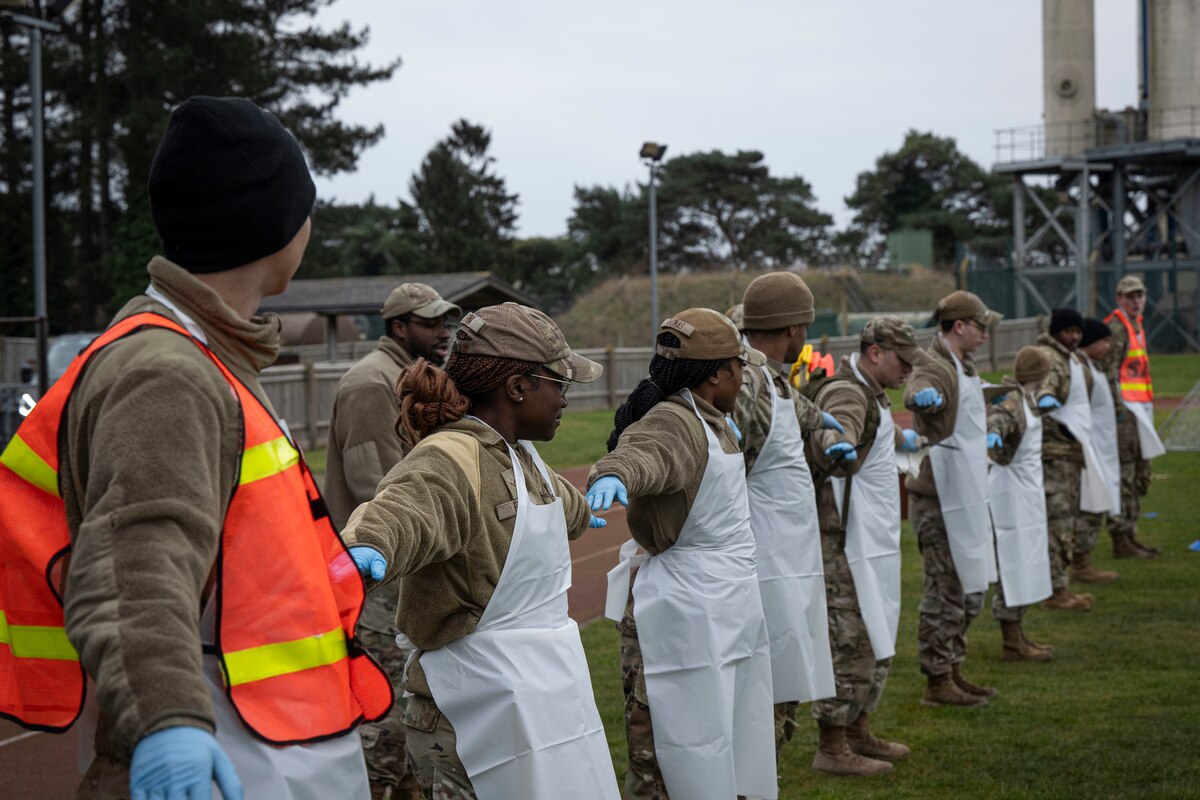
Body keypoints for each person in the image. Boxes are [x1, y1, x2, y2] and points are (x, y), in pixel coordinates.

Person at [0, 96, 392, 800]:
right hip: (222, 751)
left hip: (262, 746)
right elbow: (131, 561)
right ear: (275, 225)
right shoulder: (167, 373)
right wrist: (166, 721)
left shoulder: (200, 355)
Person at [340, 303, 619, 800]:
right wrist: (368, 545)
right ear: (516, 386)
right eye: (559, 383)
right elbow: (406, 505)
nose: (566, 399)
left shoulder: (521, 455)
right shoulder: (450, 457)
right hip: (465, 712)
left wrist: (581, 509)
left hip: (534, 695)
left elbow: (559, 501)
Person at [591, 308, 777, 800]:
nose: (744, 377)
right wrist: (617, 473)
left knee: (726, 728)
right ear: (717, 373)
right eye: (739, 366)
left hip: (721, 605)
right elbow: (646, 451)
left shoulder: (716, 421)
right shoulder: (676, 420)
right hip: (684, 608)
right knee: (669, 751)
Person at [325, 282, 461, 800]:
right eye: (431, 323)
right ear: (400, 327)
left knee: (413, 721)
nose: (443, 331)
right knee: (382, 719)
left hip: (401, 571)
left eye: (446, 320)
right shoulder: (369, 383)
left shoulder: (407, 378)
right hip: (376, 578)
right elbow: (376, 490)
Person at [805, 316, 926, 775]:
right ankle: (832, 746)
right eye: (903, 361)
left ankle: (858, 729)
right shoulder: (847, 392)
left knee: (876, 627)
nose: (908, 371)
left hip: (869, 537)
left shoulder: (870, 392)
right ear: (876, 353)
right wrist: (836, 443)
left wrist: (902, 437)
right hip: (843, 541)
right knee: (850, 638)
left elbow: (876, 429)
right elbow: (838, 427)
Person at [734, 272, 845, 758]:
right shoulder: (753, 384)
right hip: (766, 564)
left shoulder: (770, 380)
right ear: (794, 329)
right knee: (766, 692)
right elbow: (730, 473)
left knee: (784, 678)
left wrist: (819, 418)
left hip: (789, 558)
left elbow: (791, 410)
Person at [904, 290, 1000, 707]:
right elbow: (917, 387)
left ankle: (953, 668)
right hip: (938, 498)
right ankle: (937, 679)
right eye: (981, 326)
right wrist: (920, 399)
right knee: (944, 588)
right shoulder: (936, 365)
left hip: (964, 492)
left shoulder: (963, 362)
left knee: (965, 585)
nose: (985, 333)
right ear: (959, 326)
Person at [1034, 307, 1108, 612]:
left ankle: (1060, 583)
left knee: (1067, 519)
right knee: (1059, 523)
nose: (1075, 337)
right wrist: (1063, 428)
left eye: (1078, 331)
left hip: (1069, 452)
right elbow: (1043, 394)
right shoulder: (1051, 359)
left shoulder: (1070, 357)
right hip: (1055, 453)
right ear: (1056, 332)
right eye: (1069, 331)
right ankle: (1055, 590)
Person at [986, 347, 1055, 662]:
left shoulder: (1028, 399)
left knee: (1026, 561)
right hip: (1010, 495)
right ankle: (1011, 641)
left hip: (1026, 493)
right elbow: (999, 419)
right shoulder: (1014, 401)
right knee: (1013, 563)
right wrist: (993, 434)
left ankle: (1018, 633)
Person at [1104, 275, 1165, 558]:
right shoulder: (1117, 328)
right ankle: (1121, 536)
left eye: (1139, 295)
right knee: (1126, 474)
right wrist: (1118, 409)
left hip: (1139, 409)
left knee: (1141, 474)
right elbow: (1109, 373)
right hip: (1126, 413)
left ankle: (1130, 531)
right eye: (1130, 296)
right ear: (1119, 299)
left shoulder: (1136, 325)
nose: (1136, 301)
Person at [1070, 319, 1123, 585]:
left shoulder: (1091, 367)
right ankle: (1080, 564)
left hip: (1103, 447)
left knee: (1098, 504)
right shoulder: (1080, 370)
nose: (1107, 346)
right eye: (1102, 341)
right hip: (1091, 450)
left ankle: (1084, 560)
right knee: (1089, 506)